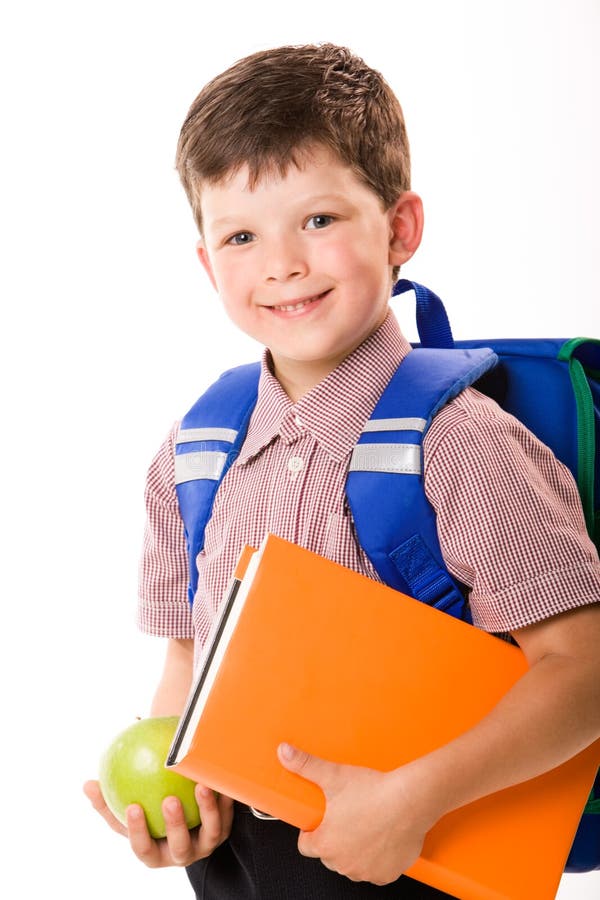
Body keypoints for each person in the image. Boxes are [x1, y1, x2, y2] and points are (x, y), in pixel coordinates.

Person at [84, 43, 600, 899]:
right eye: (242, 235)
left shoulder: (462, 442)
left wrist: (415, 798)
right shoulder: (191, 455)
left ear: (399, 229)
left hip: (422, 854)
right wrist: (175, 799)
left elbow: (582, 668)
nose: (282, 262)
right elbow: (187, 657)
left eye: (318, 221)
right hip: (241, 870)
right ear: (209, 264)